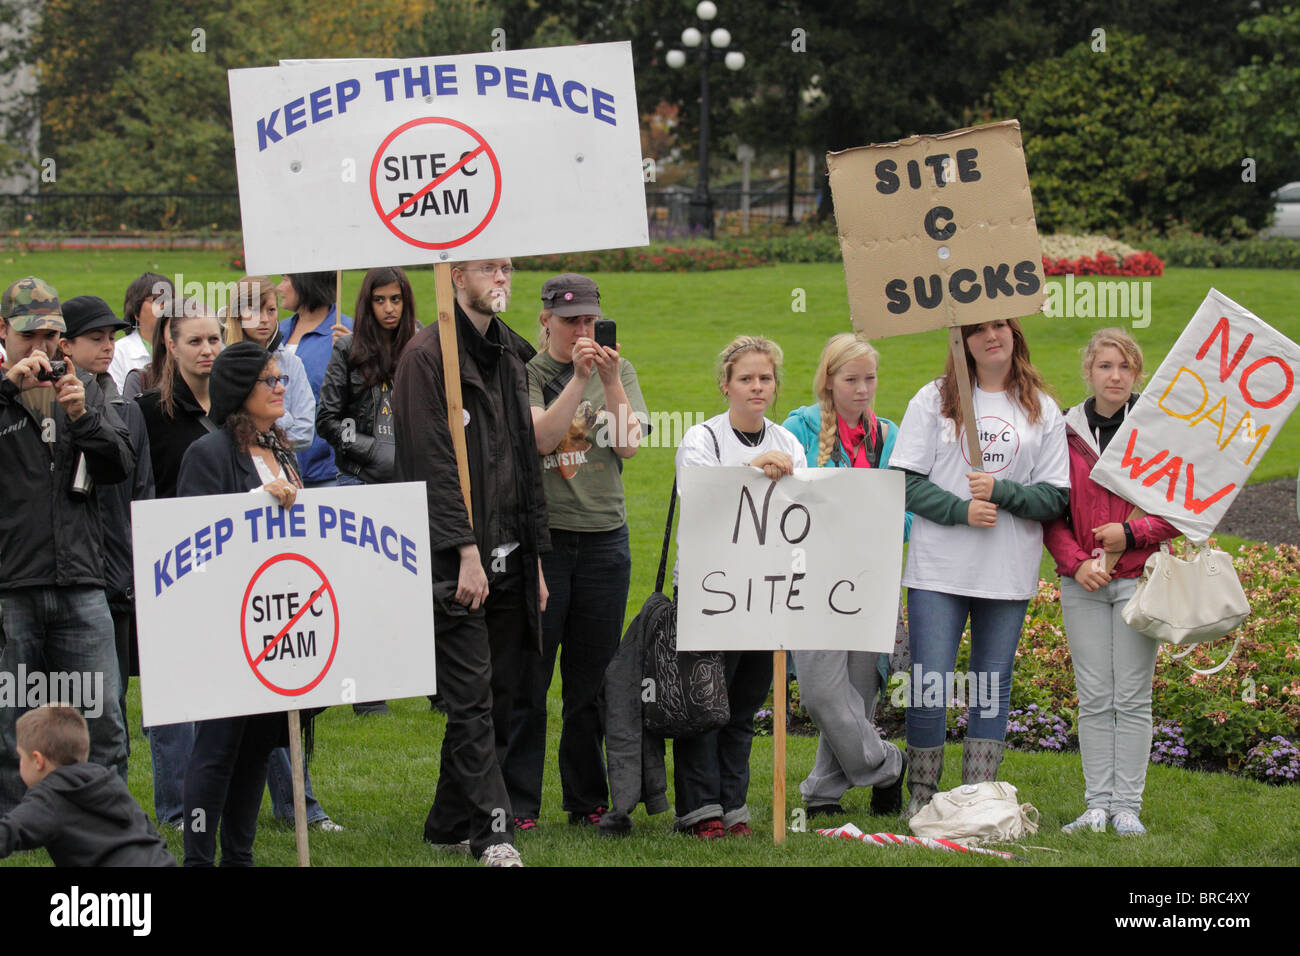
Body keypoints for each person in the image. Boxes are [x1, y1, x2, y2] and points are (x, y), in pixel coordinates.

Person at [392, 257, 550, 867]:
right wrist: (463, 550)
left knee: (503, 694)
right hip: (456, 558)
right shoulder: (427, 358)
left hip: (513, 551)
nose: (502, 277)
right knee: (472, 697)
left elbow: (524, 463)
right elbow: (430, 461)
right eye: (488, 267)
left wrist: (534, 558)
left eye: (507, 267)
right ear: (455, 276)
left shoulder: (511, 353)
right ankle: (493, 832)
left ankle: (444, 823)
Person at [889, 318, 1070, 819]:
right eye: (977, 330)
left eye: (999, 326)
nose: (991, 336)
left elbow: (1056, 495)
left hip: (1005, 571)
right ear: (961, 341)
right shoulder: (935, 399)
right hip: (938, 570)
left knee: (992, 683)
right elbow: (904, 480)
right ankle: (922, 799)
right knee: (930, 680)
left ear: (1015, 333)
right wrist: (960, 510)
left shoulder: (1041, 408)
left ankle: (976, 799)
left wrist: (1004, 493)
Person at [503, 274, 647, 830]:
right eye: (570, 322)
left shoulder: (622, 371)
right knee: (531, 680)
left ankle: (586, 800)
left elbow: (629, 444)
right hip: (547, 542)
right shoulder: (527, 372)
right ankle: (520, 802)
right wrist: (579, 377)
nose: (582, 331)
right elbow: (540, 437)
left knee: (590, 683)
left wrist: (608, 380)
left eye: (589, 320)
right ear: (546, 321)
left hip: (605, 539)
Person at [0, 277, 131, 818]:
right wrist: (7, 391)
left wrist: (84, 417)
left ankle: (104, 818)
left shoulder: (85, 388)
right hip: (10, 585)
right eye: (31, 335)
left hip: (79, 579)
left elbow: (119, 465)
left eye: (53, 334)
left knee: (101, 714)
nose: (43, 348)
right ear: (4, 331)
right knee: (10, 715)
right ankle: (14, 825)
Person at [1044, 328, 1180, 837]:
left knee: (1132, 696)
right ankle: (1096, 804)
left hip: (1139, 580)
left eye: (1125, 367)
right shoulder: (1065, 431)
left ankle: (1127, 806)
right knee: (1095, 696)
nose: (1115, 376)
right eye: (1105, 366)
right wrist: (1078, 562)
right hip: (1083, 585)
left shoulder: (1155, 429)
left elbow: (1181, 508)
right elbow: (1051, 514)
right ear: (1089, 371)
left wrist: (1129, 533)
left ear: (1137, 373)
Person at [672, 335, 805, 839]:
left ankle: (734, 806)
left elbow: (804, 505)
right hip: (712, 588)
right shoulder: (701, 438)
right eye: (746, 378)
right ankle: (699, 809)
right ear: (725, 384)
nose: (757, 387)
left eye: (765, 378)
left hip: (766, 589)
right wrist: (752, 469)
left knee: (744, 704)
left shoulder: (789, 442)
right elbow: (702, 496)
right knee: (706, 702)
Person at [175, 341, 302, 866]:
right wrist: (259, 501)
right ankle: (199, 859)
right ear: (239, 391)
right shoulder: (208, 455)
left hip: (275, 625)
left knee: (257, 747)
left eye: (280, 378)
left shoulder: (284, 450)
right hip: (228, 628)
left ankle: (239, 857)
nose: (280, 387)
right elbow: (197, 540)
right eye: (268, 380)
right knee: (217, 749)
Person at [781, 332, 908, 817]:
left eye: (869, 379)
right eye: (851, 379)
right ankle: (888, 765)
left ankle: (823, 794)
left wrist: (882, 524)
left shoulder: (888, 434)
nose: (862, 389)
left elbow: (908, 505)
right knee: (820, 689)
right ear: (829, 381)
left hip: (870, 575)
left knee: (860, 691)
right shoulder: (801, 427)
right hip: (812, 577)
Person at [134, 303, 223, 827]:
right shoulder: (147, 411)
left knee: (239, 694)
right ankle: (175, 810)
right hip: (169, 566)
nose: (207, 350)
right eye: (195, 341)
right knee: (172, 701)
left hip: (230, 566)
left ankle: (292, 804)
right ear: (170, 345)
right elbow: (140, 489)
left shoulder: (237, 406)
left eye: (214, 339)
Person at [318, 267, 419, 718]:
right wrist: (371, 451)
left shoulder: (424, 346)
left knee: (423, 584)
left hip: (416, 479)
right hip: (358, 478)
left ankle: (435, 685)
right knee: (363, 589)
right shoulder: (347, 348)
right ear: (367, 303)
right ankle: (368, 691)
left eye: (395, 299)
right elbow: (327, 417)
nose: (389, 308)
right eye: (380, 300)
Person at [58, 296, 155, 738]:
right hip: (73, 568)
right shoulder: (50, 407)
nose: (108, 347)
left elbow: (141, 490)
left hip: (115, 570)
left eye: (111, 338)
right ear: (66, 346)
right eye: (95, 338)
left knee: (110, 705)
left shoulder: (125, 410)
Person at [0, 706, 175, 866]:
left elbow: (8, 833)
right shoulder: (107, 779)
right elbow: (148, 831)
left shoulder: (50, 796)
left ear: (38, 760)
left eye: (21, 757)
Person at [222, 275, 315, 450]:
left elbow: (304, 432)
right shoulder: (223, 362)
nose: (264, 319)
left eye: (271, 310)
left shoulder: (291, 363)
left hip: (280, 466)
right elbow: (222, 426)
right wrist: (285, 418)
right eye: (254, 310)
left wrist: (263, 442)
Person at [278, 272, 352, 488]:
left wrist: (355, 358)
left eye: (285, 279)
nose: (279, 287)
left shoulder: (347, 332)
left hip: (329, 473)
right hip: (281, 472)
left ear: (305, 282)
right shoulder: (276, 331)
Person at [109, 272, 174, 395]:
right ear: (136, 311)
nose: (166, 306)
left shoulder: (185, 346)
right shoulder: (118, 353)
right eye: (156, 300)